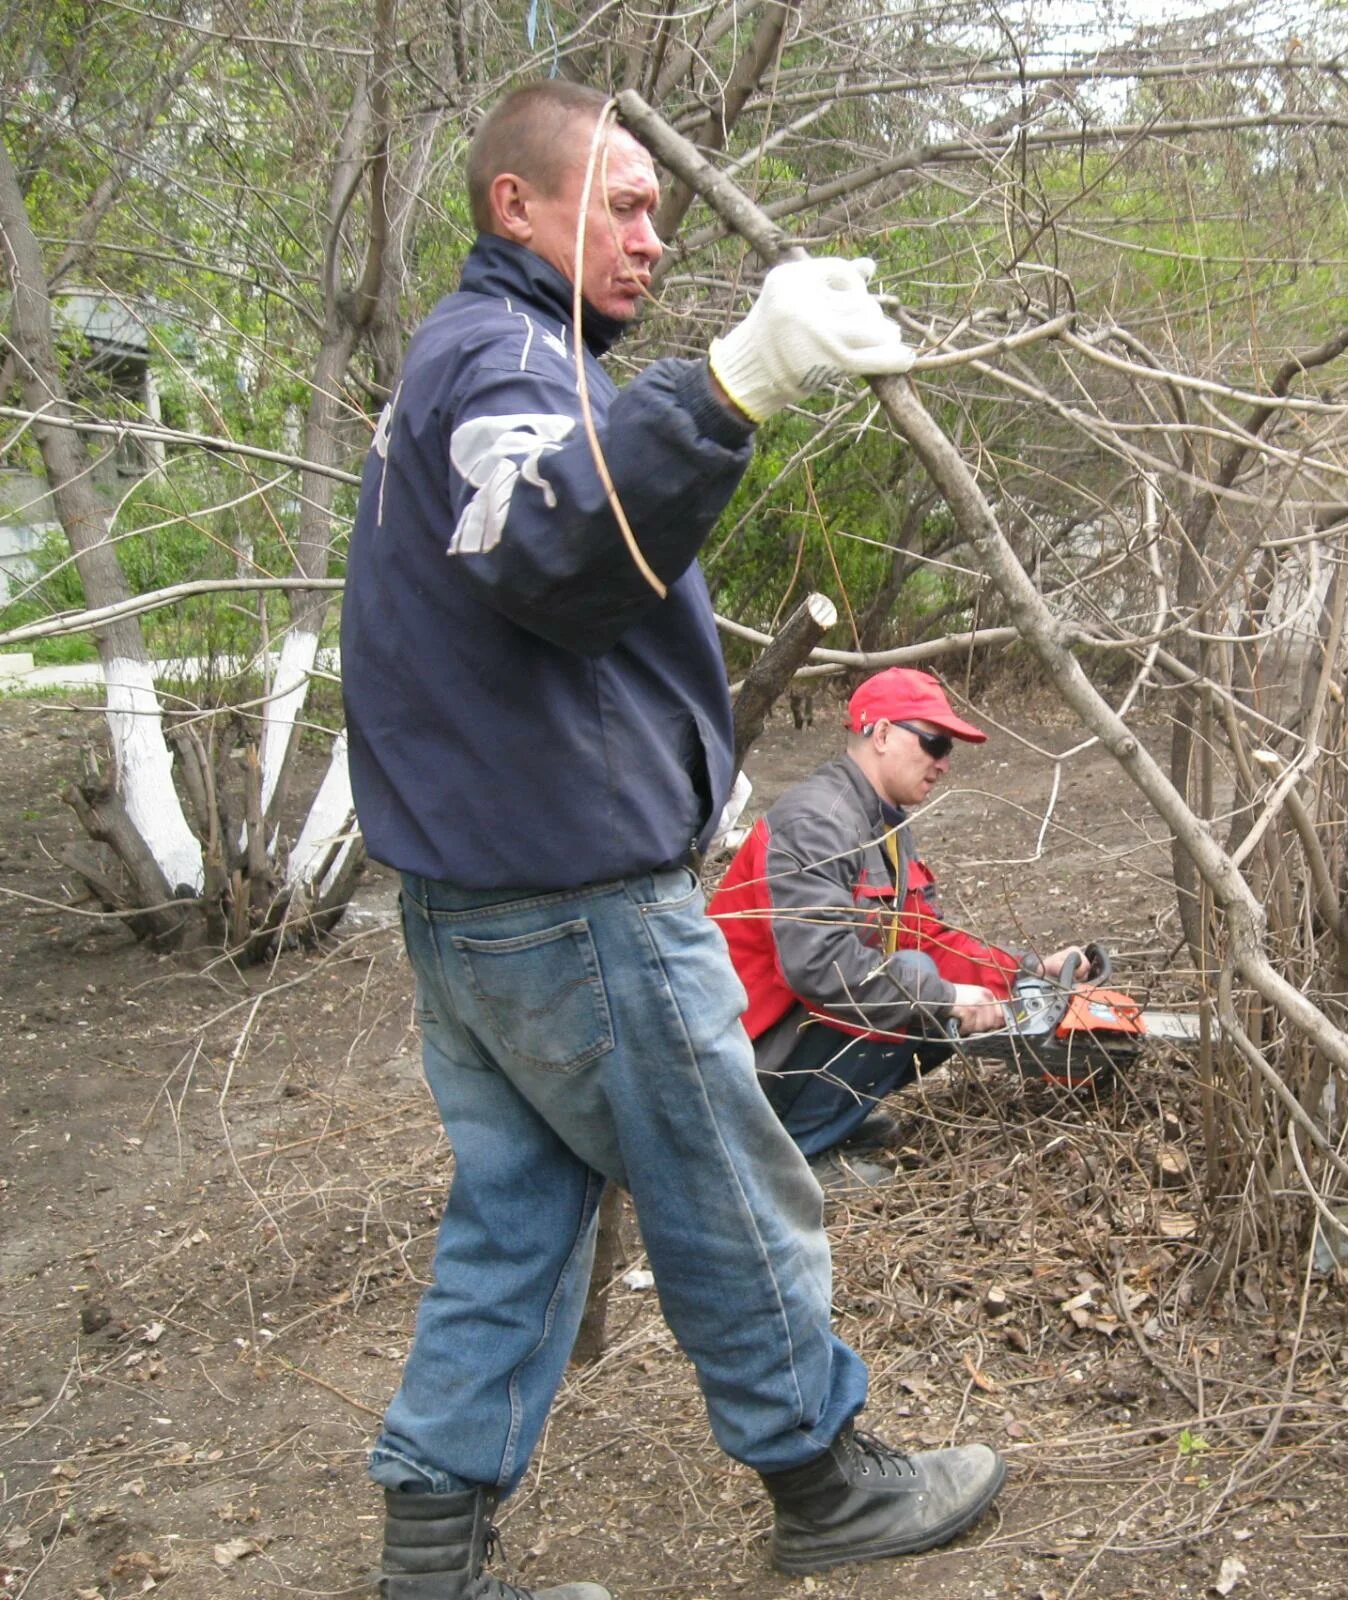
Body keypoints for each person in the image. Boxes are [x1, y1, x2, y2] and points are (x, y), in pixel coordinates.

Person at [339, 82, 1003, 1599]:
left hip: (475, 907)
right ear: (515, 207)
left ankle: (430, 1561)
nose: (653, 236)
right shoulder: (506, 360)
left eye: (659, 208)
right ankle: (824, 1483)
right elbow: (552, 542)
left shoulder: (487, 357)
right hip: (575, 911)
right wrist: (738, 379)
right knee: (728, 1189)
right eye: (623, 204)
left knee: (518, 1221)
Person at [708, 669, 1086, 1185]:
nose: (944, 763)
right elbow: (819, 968)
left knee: (926, 982)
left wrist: (1027, 971)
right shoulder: (816, 823)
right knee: (921, 984)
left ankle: (824, 1120)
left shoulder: (884, 825)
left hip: (782, 1045)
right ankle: (787, 1157)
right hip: (736, 1065)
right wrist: (945, 997)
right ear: (882, 734)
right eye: (935, 743)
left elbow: (924, 935)